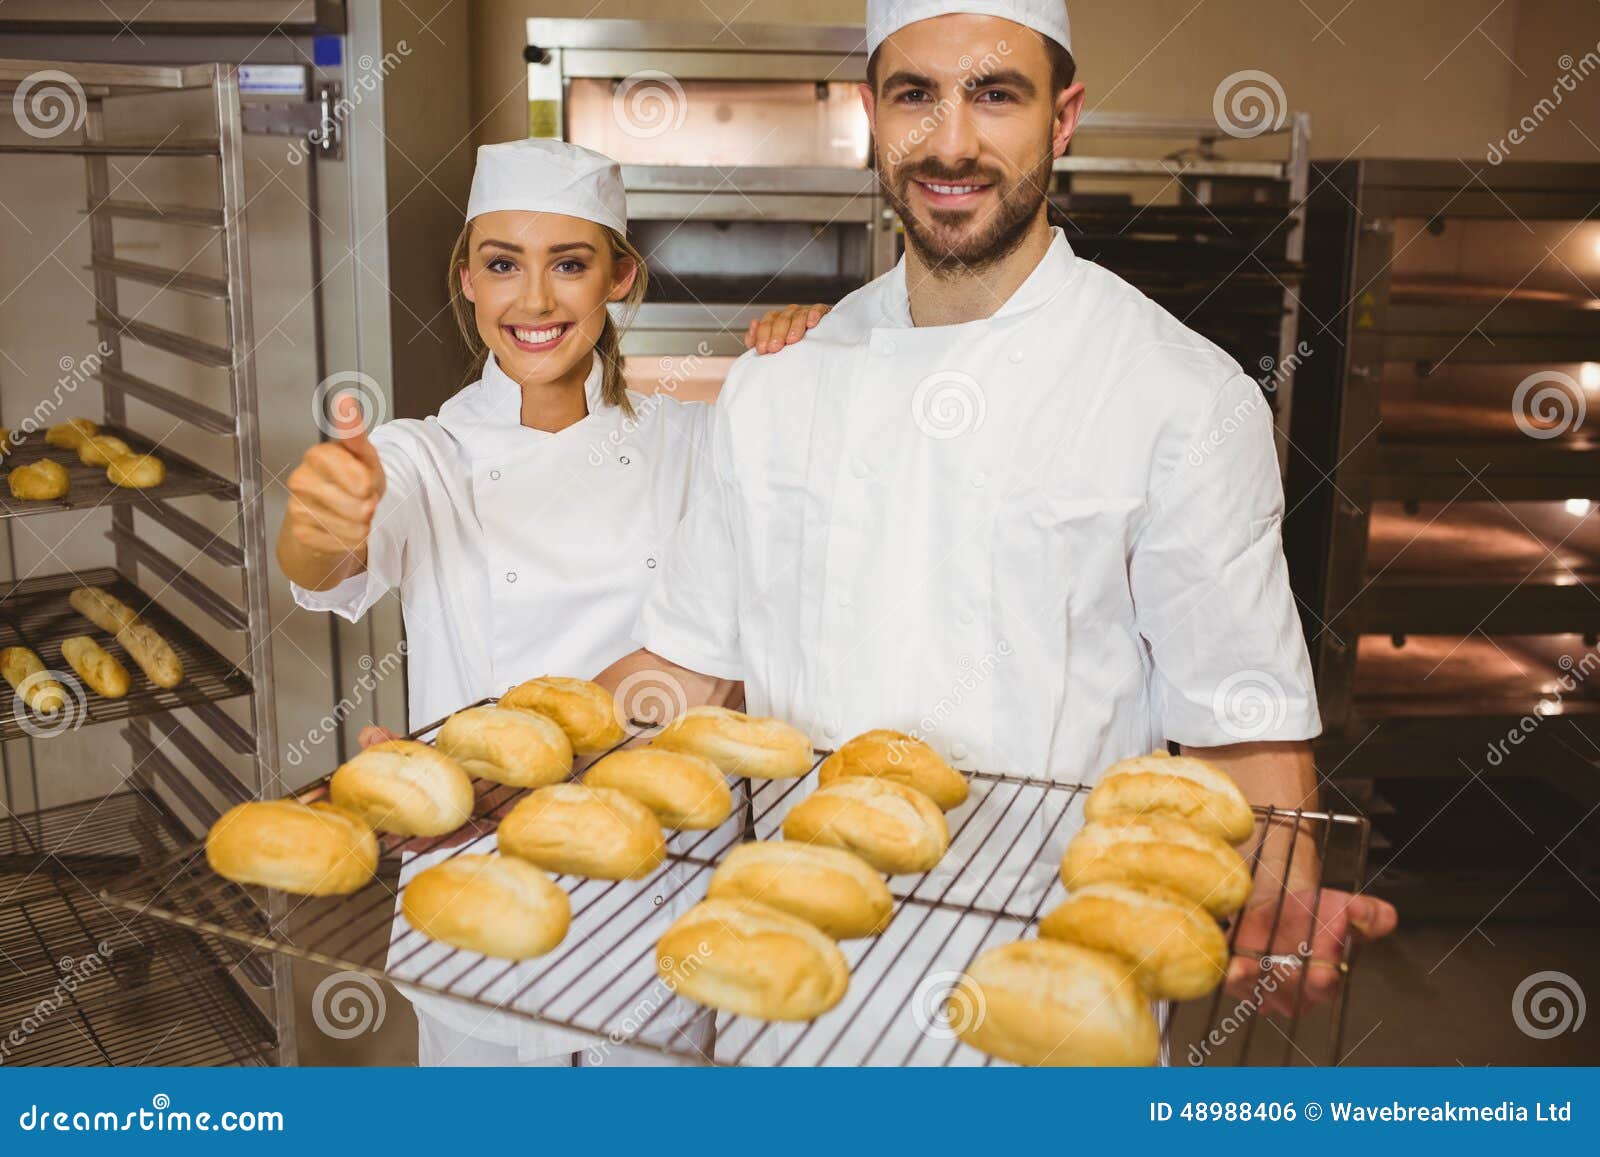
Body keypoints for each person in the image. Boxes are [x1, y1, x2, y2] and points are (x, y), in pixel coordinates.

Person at [602, 0, 1399, 1062]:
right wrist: (489, 780)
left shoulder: (1178, 393)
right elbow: (687, 665)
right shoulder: (775, 386)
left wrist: (1280, 900)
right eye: (914, 95)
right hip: (788, 995)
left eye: (995, 94)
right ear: (868, 117)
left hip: (1053, 1003)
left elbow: (1238, 720)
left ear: (1062, 118)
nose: (951, 142)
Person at [277, 136, 823, 1066]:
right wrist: (324, 520)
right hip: (475, 893)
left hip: (656, 895)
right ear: (468, 282)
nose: (533, 300)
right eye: (503, 266)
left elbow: (732, 632)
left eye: (569, 265)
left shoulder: (695, 440)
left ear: (620, 276)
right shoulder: (426, 454)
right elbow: (324, 561)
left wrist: (823, 353)